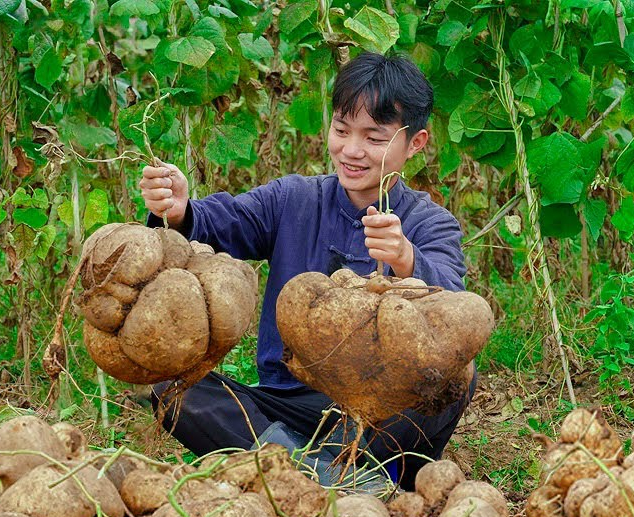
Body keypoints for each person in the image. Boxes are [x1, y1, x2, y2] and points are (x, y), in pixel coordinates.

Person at [137, 51, 472, 489]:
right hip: (288, 402)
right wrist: (181, 210)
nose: (352, 150)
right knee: (174, 391)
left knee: (456, 375)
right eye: (341, 130)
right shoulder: (293, 199)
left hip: (379, 420)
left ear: (416, 143)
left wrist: (407, 258)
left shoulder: (430, 223)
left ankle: (315, 468)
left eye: (374, 138)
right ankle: (322, 475)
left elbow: (458, 310)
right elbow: (225, 223)